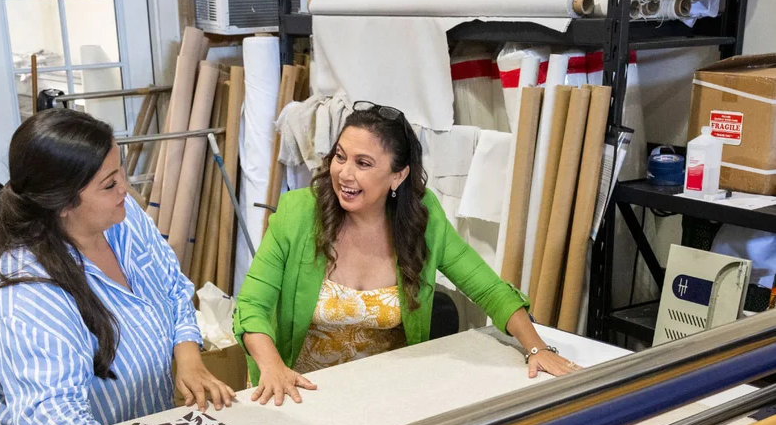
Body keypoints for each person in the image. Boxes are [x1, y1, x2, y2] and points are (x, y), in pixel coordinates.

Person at [0, 109, 234, 425]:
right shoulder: (23, 287)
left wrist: (187, 354)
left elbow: (171, 283)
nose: (126, 189)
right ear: (63, 202)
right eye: (110, 183)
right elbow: (50, 416)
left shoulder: (121, 216)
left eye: (121, 173)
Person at [234, 102, 578, 406]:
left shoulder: (422, 220)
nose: (344, 173)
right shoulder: (298, 214)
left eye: (363, 163)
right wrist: (272, 366)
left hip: (387, 394)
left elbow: (488, 289)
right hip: (300, 391)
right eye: (340, 157)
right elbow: (252, 305)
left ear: (398, 176)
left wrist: (537, 348)